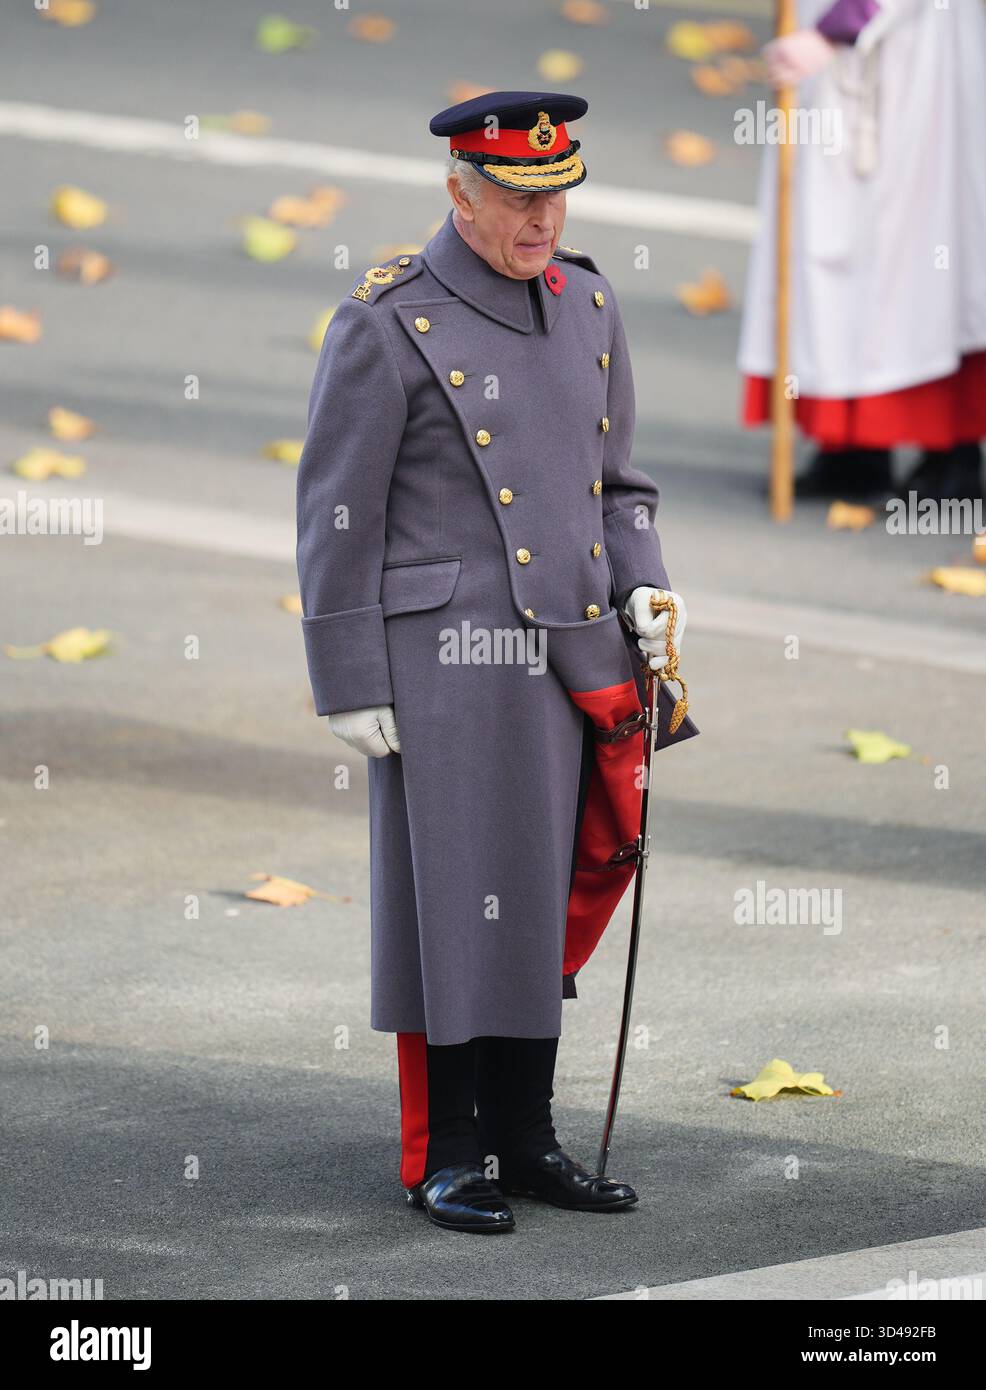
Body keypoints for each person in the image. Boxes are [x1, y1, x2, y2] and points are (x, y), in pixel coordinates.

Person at [296, 91, 696, 1234]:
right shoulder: (385, 322)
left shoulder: (587, 303)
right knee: (448, 910)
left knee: (536, 900)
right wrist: (348, 676)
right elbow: (335, 513)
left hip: (576, 650)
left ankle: (527, 1135)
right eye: (518, 200)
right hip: (440, 664)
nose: (542, 220)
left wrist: (645, 583)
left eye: (555, 194)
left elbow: (617, 486)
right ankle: (448, 1149)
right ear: (458, 194)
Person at [738, 0, 986, 501]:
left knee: (926, 244)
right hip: (833, 48)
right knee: (835, 242)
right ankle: (852, 445)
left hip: (920, 49)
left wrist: (840, 26)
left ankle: (951, 448)